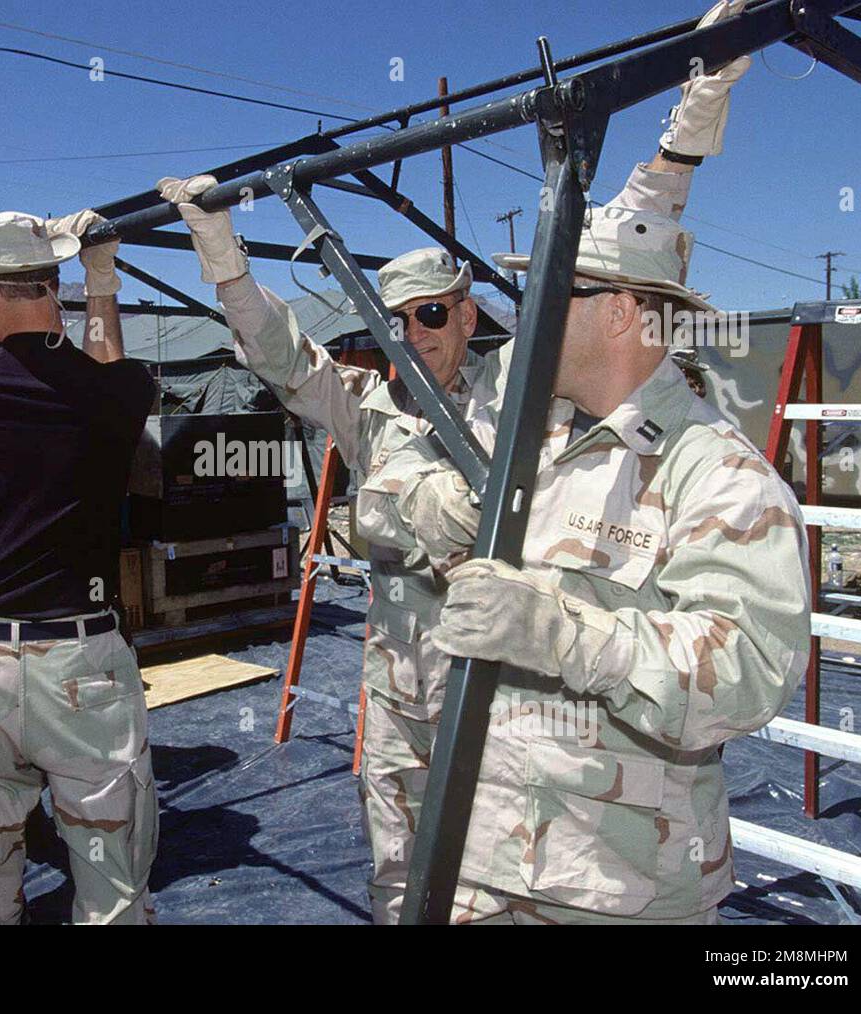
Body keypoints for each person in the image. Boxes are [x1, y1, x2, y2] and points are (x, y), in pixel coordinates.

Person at [158, 0, 760, 922]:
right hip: (402, 664)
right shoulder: (366, 408)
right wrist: (224, 257)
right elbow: (283, 360)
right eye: (396, 321)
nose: (414, 335)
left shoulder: (517, 404)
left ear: (467, 314)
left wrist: (694, 111)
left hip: (507, 674)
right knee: (401, 857)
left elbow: (607, 258)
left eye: (432, 315)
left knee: (505, 851)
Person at [0, 209, 158, 924]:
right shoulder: (117, 392)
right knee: (113, 882)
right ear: (49, 284)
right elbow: (103, 374)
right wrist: (101, 275)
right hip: (81, 664)